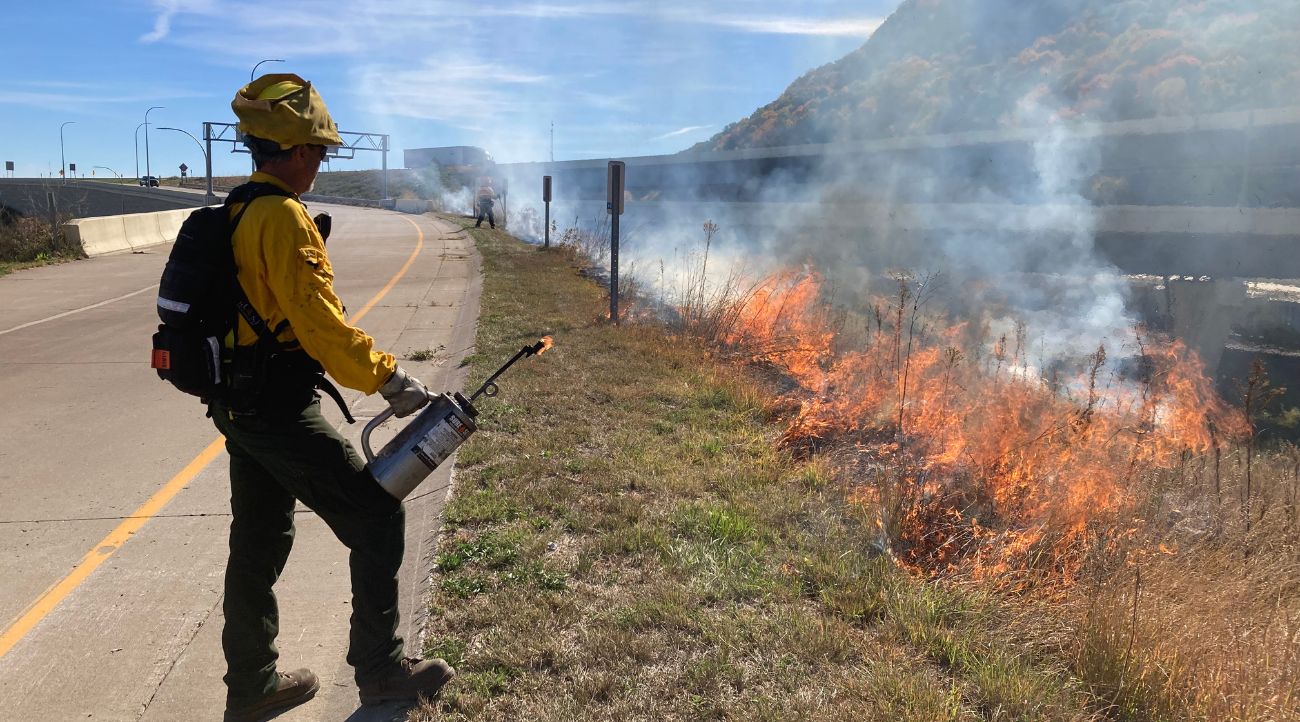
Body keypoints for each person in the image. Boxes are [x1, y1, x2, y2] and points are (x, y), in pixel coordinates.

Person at [216, 74, 454, 722]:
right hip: (275, 409)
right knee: (377, 516)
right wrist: (390, 380)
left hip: (237, 404)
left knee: (259, 538)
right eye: (317, 152)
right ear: (294, 152)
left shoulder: (237, 208)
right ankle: (380, 671)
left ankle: (252, 685)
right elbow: (320, 325)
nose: (319, 164)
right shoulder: (282, 217)